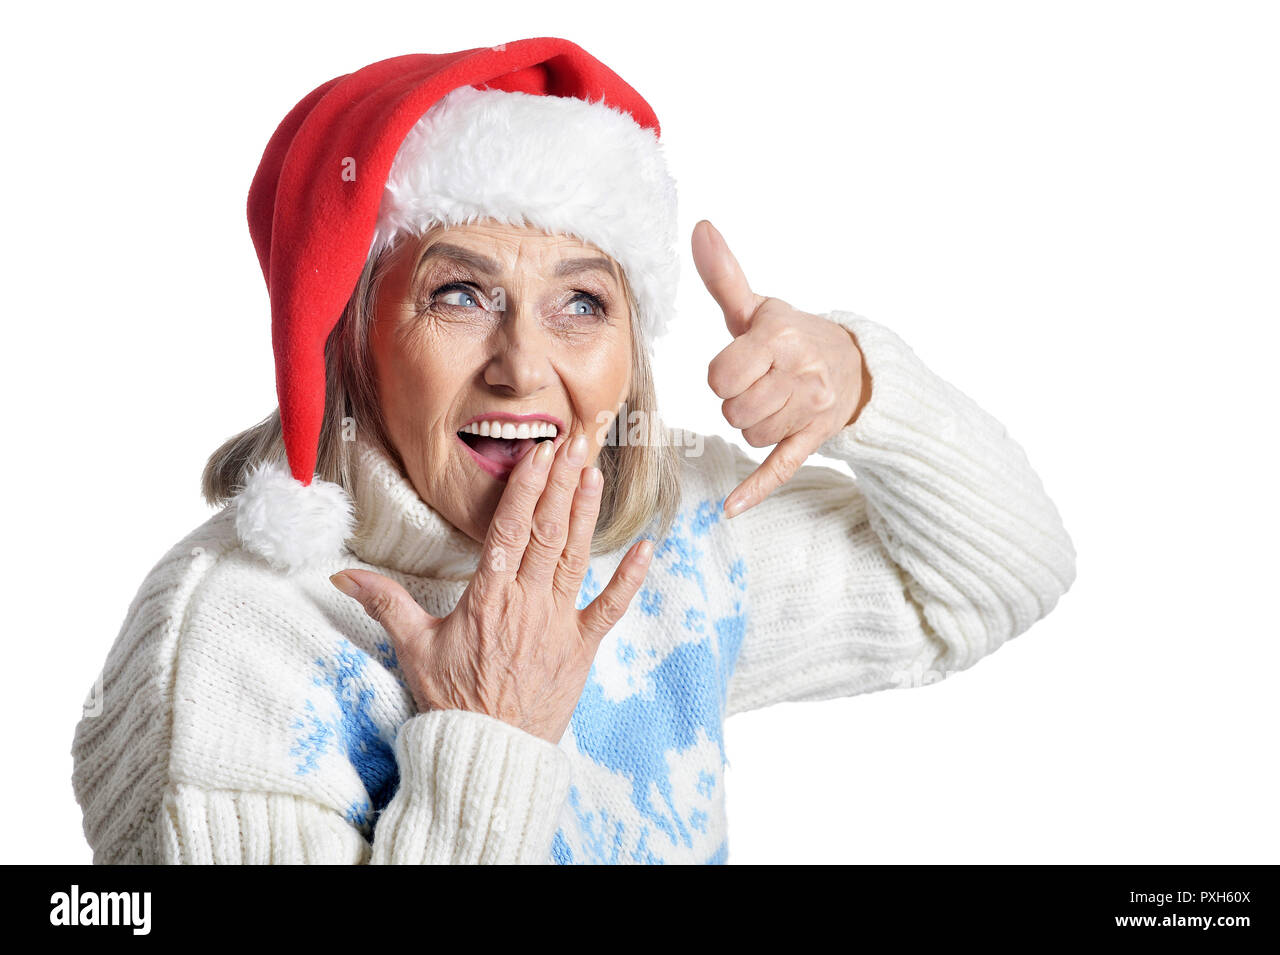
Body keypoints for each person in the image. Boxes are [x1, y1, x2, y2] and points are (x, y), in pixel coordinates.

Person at [71, 37, 1076, 865]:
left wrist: (863, 384)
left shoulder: (674, 540)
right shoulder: (231, 636)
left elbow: (1000, 575)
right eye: (458, 293)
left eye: (581, 303)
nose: (523, 367)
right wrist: (488, 735)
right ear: (348, 337)